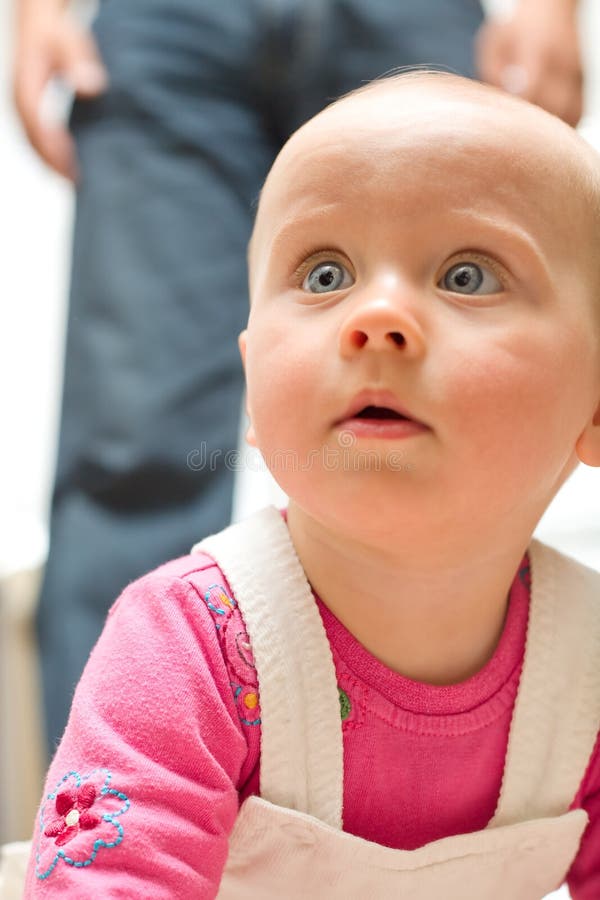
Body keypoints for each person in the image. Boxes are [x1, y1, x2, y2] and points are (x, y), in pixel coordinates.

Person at [22, 70, 600, 898]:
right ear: (254, 384)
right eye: (325, 274)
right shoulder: (192, 647)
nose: (378, 317)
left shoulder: (587, 669)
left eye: (467, 275)